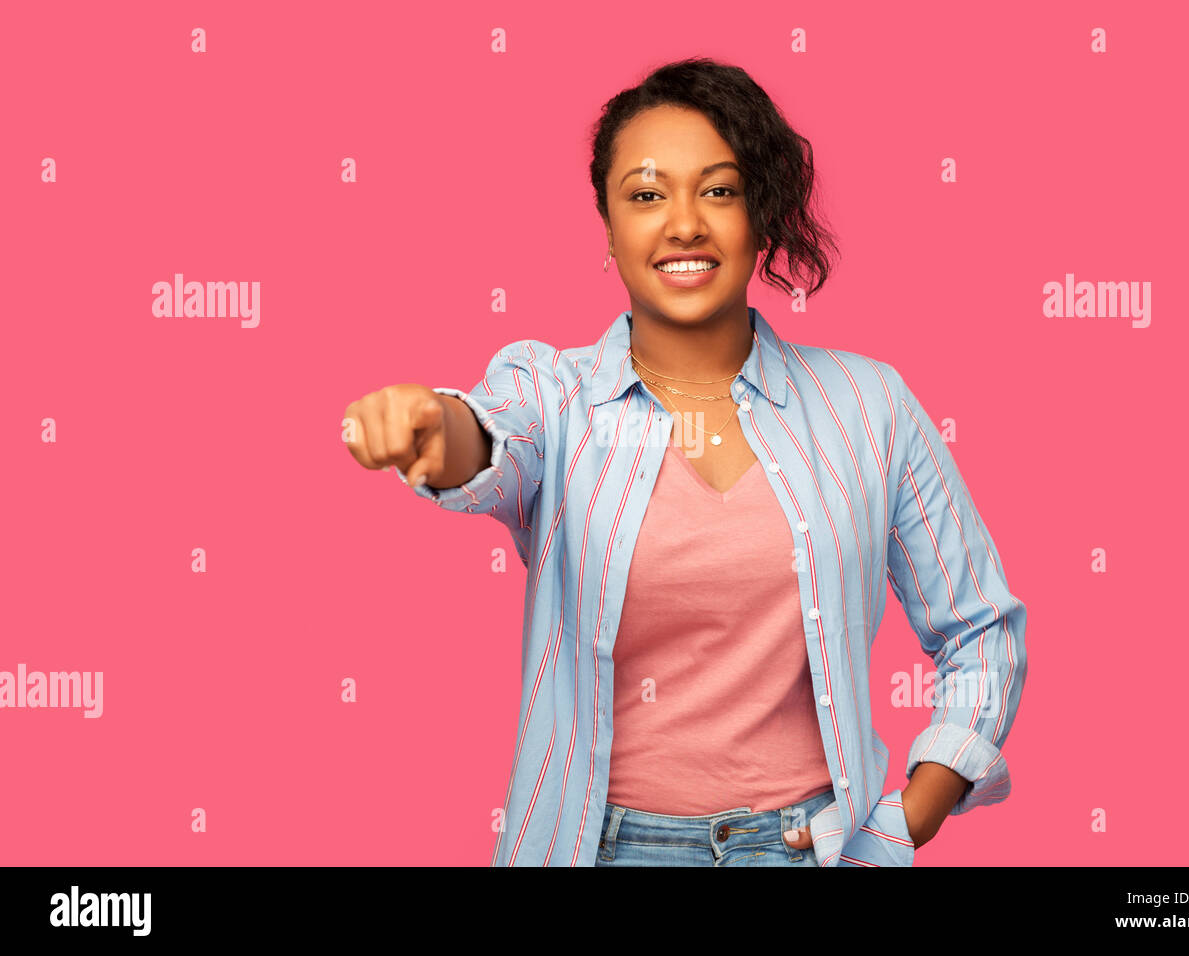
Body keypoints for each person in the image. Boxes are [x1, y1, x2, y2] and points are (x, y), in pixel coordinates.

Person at [343, 57, 1028, 867]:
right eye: (645, 194)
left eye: (719, 190)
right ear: (606, 226)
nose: (684, 224)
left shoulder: (868, 405)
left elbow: (980, 627)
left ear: (760, 216)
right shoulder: (554, 397)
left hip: (810, 846)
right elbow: (488, 439)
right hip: (600, 849)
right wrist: (434, 425)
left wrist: (904, 821)